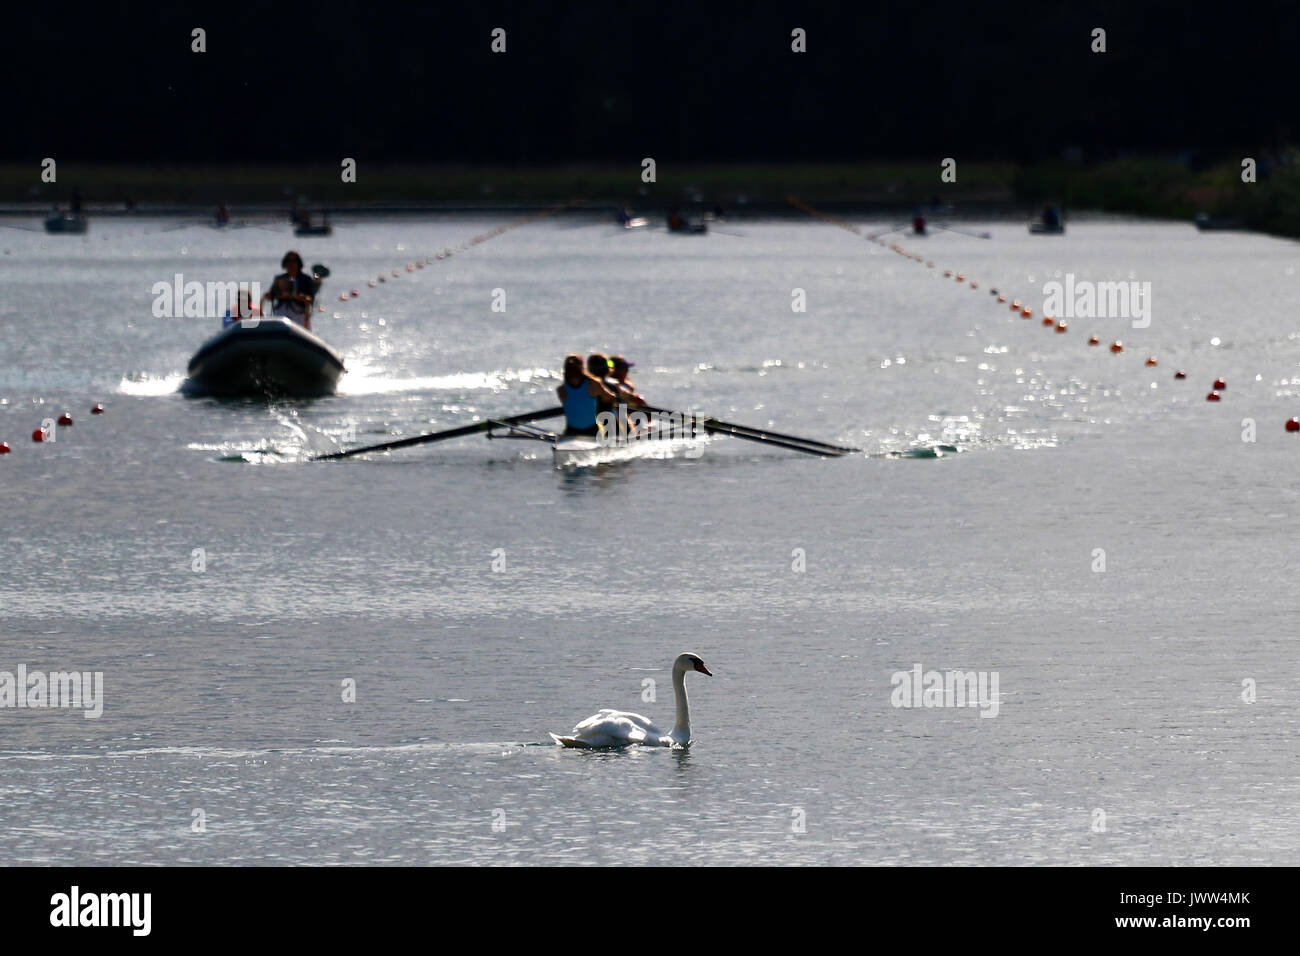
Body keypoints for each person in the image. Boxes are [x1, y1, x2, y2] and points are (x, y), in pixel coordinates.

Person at [557, 354, 617, 436]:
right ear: (582, 367)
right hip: (592, 431)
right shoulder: (593, 383)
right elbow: (611, 397)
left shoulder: (561, 389)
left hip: (571, 432)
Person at [260, 250, 316, 330]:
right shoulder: (280, 279)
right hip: (282, 311)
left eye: (294, 261)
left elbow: (310, 298)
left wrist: (297, 296)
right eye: (288, 261)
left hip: (299, 312)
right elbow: (272, 294)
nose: (291, 264)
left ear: (298, 263)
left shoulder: (306, 279)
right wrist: (270, 295)